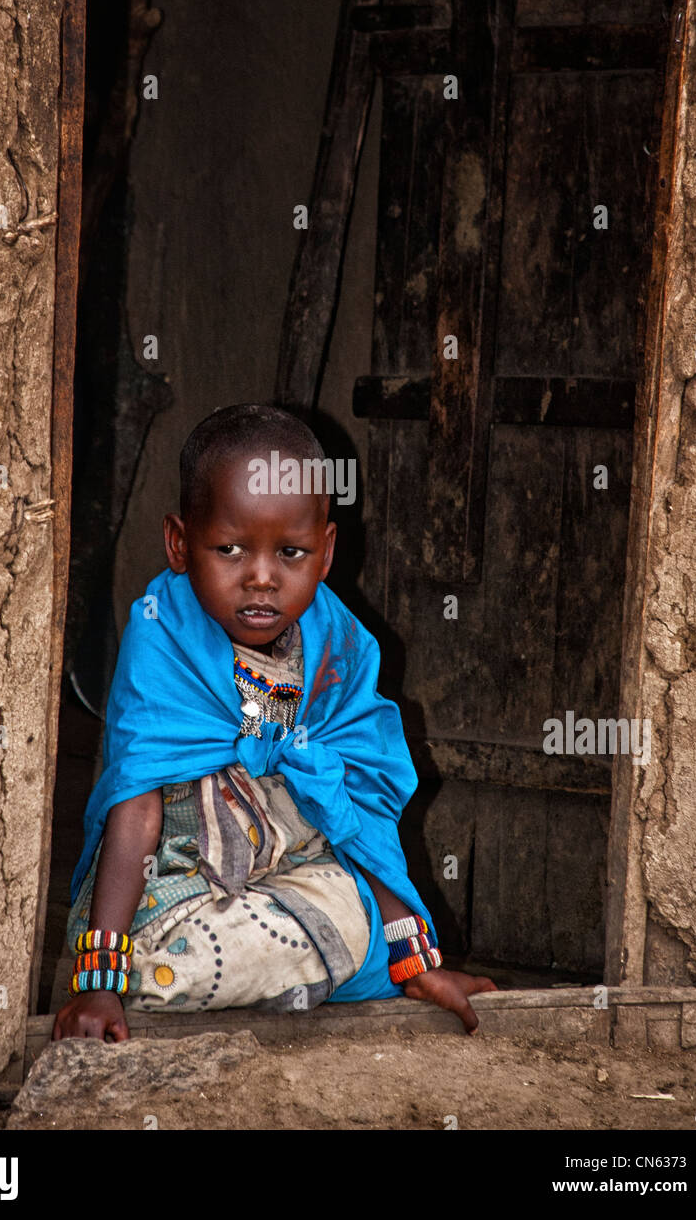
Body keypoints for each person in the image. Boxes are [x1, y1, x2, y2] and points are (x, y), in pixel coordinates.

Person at [53, 404, 497, 1043]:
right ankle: (163, 977)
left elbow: (354, 811)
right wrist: (97, 981)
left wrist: (417, 958)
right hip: (176, 881)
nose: (261, 578)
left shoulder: (337, 646)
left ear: (326, 552)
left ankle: (297, 966)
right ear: (179, 543)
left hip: (294, 869)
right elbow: (137, 806)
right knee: (168, 965)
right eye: (229, 549)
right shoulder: (163, 635)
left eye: (291, 552)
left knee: (352, 914)